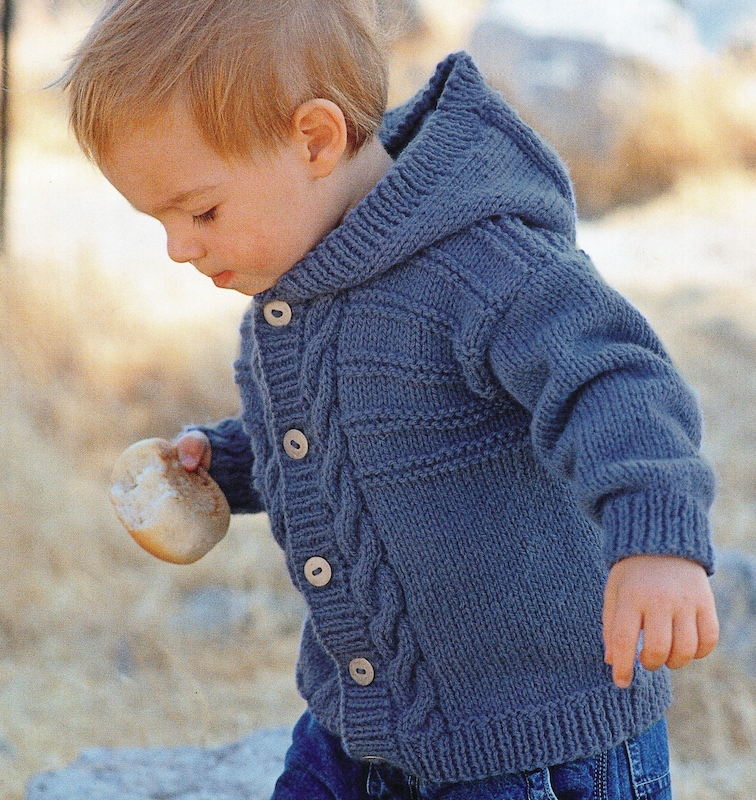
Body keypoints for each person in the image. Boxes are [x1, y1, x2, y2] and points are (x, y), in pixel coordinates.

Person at [60, 1, 719, 797]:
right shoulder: (295, 291)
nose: (179, 248)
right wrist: (228, 463)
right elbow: (340, 439)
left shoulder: (484, 266)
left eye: (200, 211)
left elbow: (617, 382)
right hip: (357, 731)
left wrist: (657, 541)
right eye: (158, 221)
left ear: (314, 139)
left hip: (533, 744)